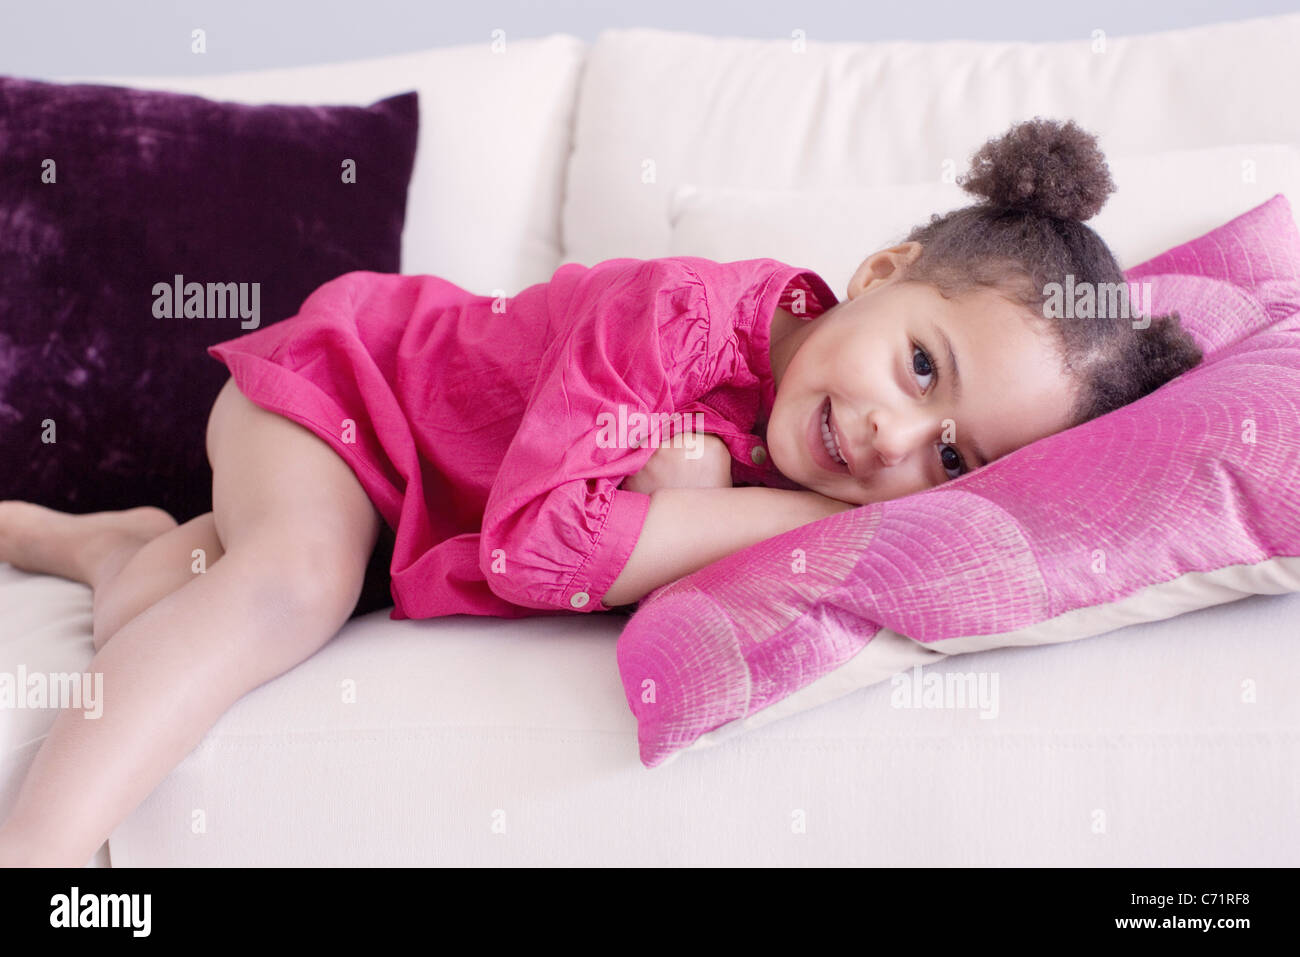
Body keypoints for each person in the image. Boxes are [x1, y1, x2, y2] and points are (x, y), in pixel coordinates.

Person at [0, 116, 1202, 866]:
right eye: (921, 365)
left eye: (951, 458)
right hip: (349, 400)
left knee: (152, 614)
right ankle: (39, 853)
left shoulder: (802, 444)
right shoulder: (673, 319)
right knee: (287, 585)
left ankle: (119, 551)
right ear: (878, 275)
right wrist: (795, 510)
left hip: (414, 524)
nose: (894, 438)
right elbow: (537, 550)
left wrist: (691, 501)